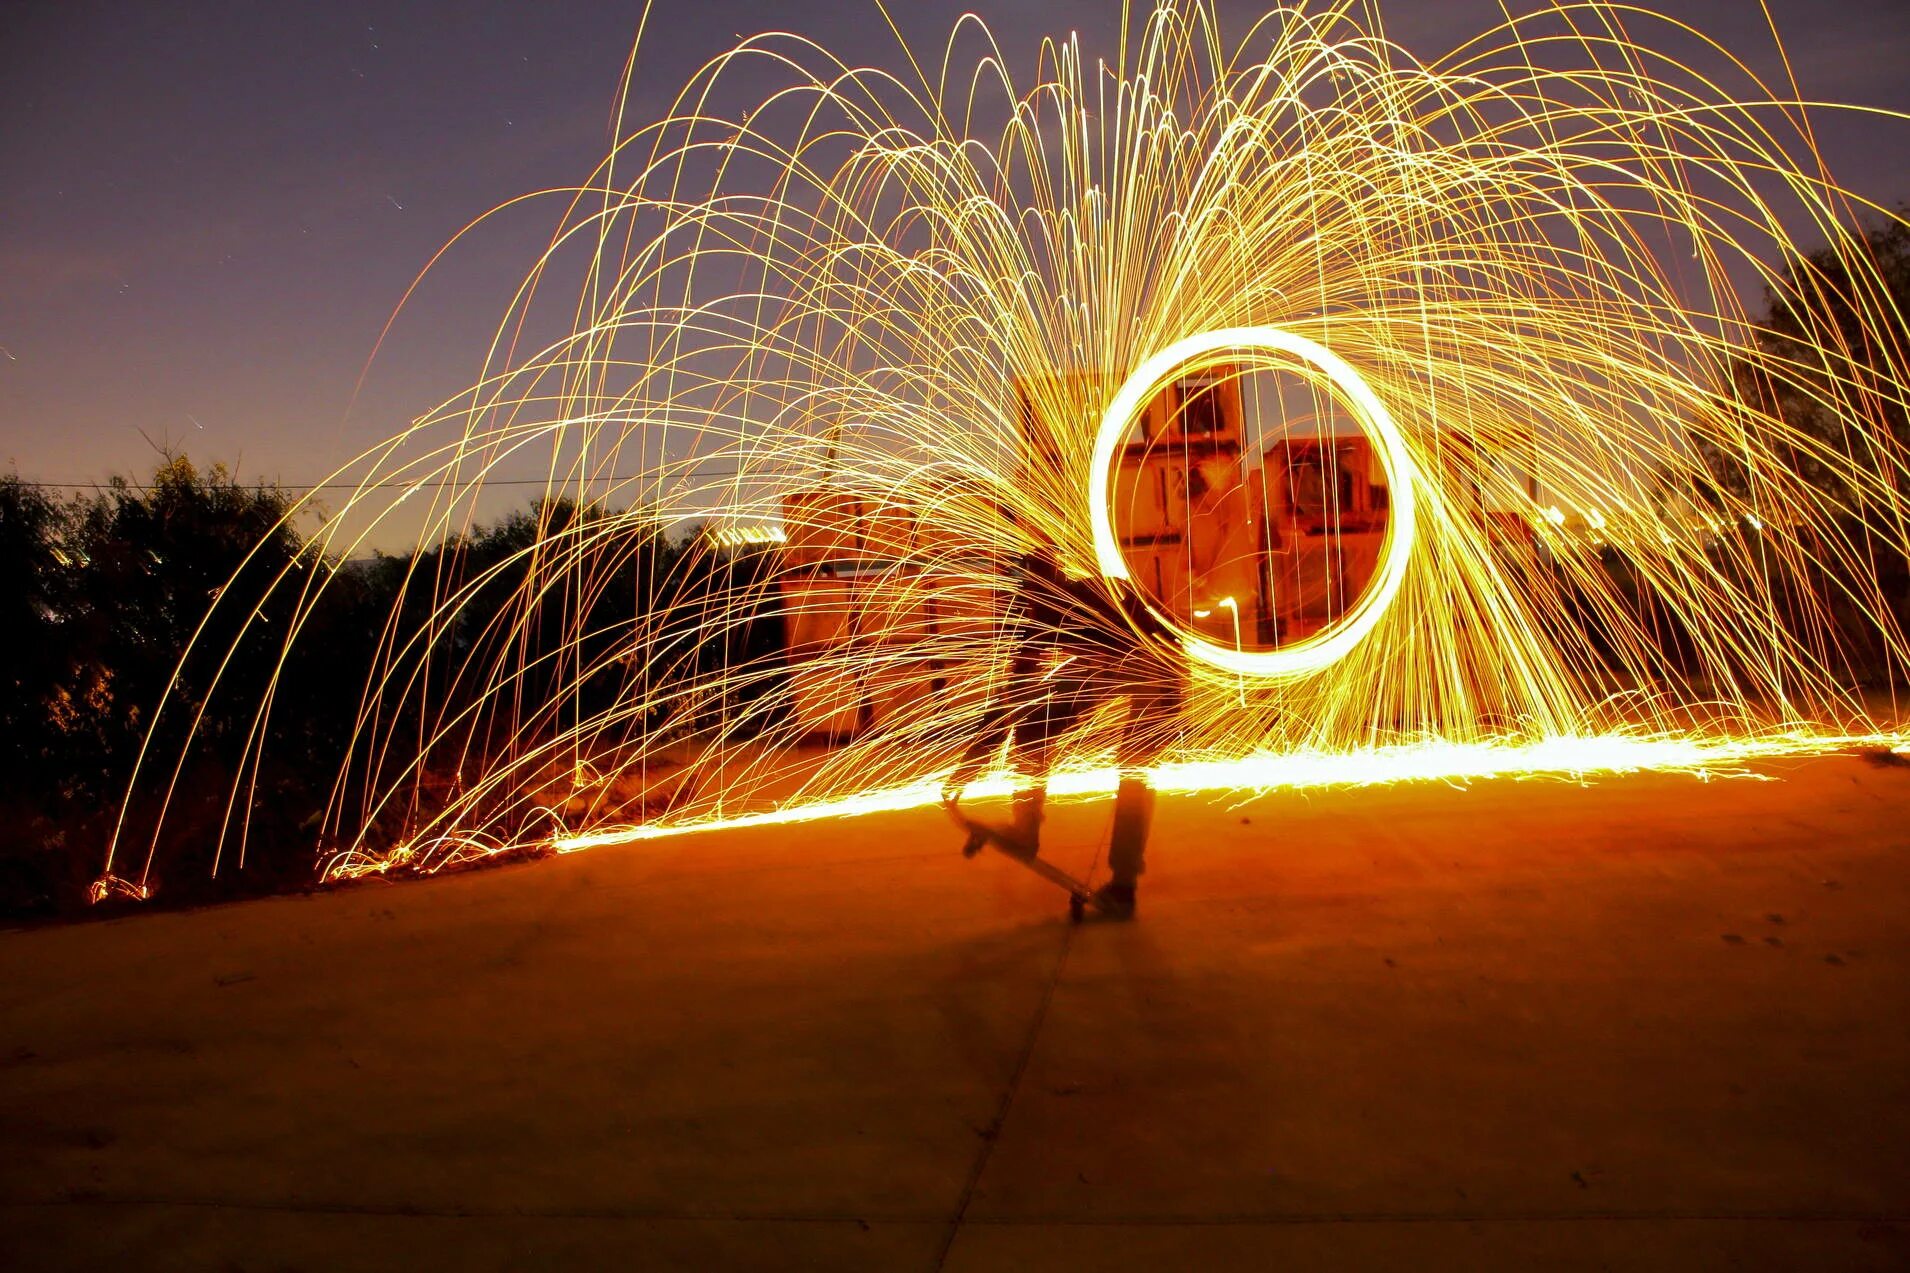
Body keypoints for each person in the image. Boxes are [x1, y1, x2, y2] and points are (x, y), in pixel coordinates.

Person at [943, 537, 1185, 919]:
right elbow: (1011, 700)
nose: (1030, 605)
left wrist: (966, 772)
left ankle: (1124, 885)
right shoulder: (1038, 615)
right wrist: (966, 770)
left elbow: (1157, 641)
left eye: (1035, 594)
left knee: (1133, 768)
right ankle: (1026, 828)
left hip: (1160, 665)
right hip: (1109, 662)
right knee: (1034, 721)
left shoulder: (1092, 595)